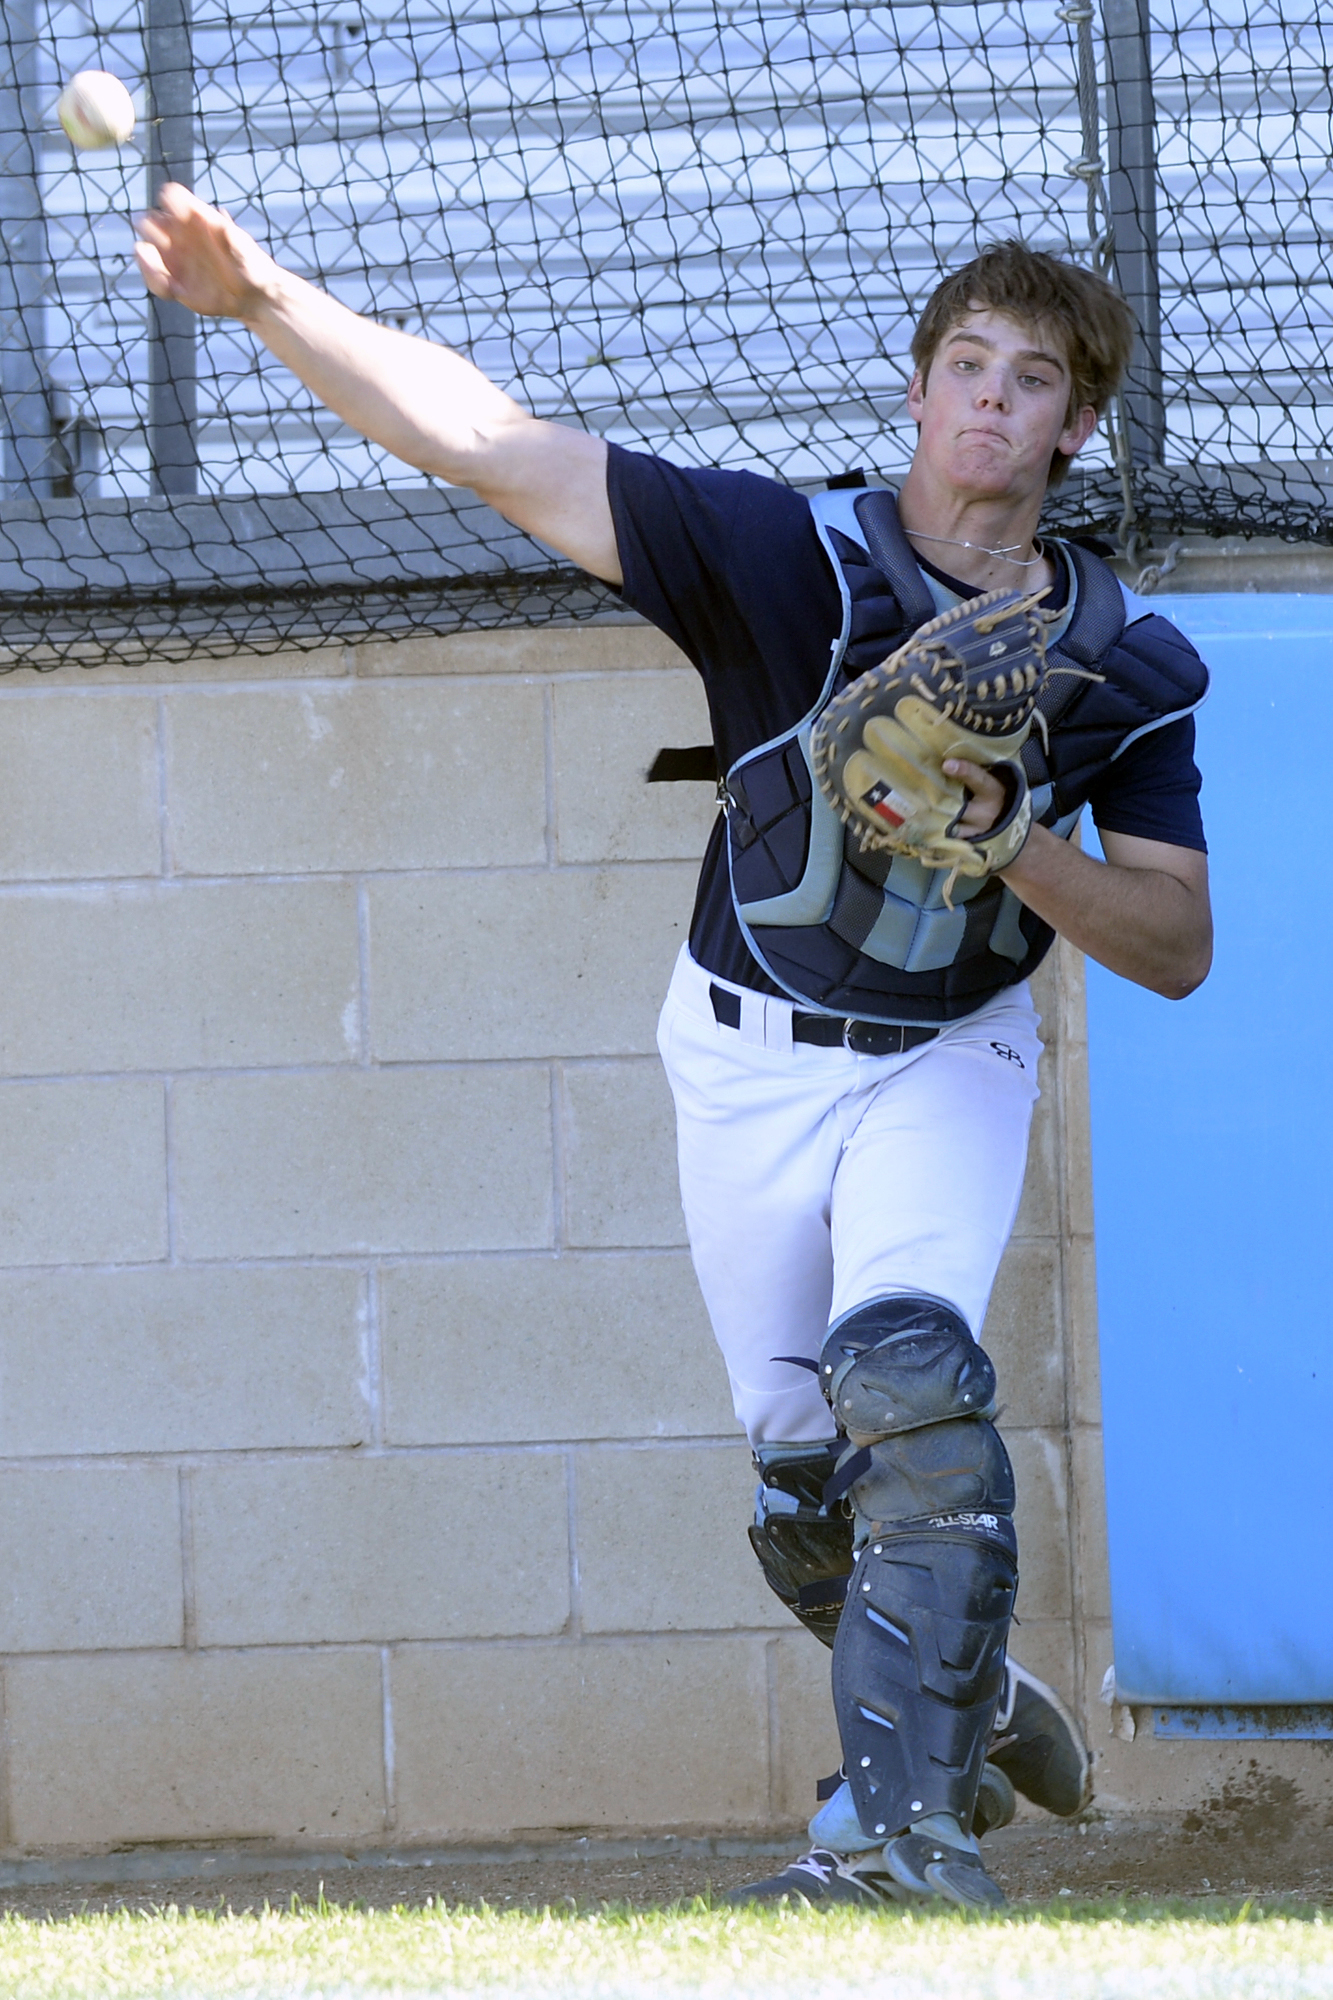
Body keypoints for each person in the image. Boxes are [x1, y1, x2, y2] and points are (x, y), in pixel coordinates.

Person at [135, 197, 1212, 1910]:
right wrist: (261, 297)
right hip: (744, 1055)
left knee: (909, 1384)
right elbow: (493, 444)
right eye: (963, 368)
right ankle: (966, 1696)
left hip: (948, 1050)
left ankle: (897, 1845)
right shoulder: (782, 555)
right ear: (920, 392)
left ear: (1076, 425)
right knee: (805, 1497)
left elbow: (1171, 950)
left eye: (1030, 381)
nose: (989, 404)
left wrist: (1010, 838)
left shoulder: (1123, 657)